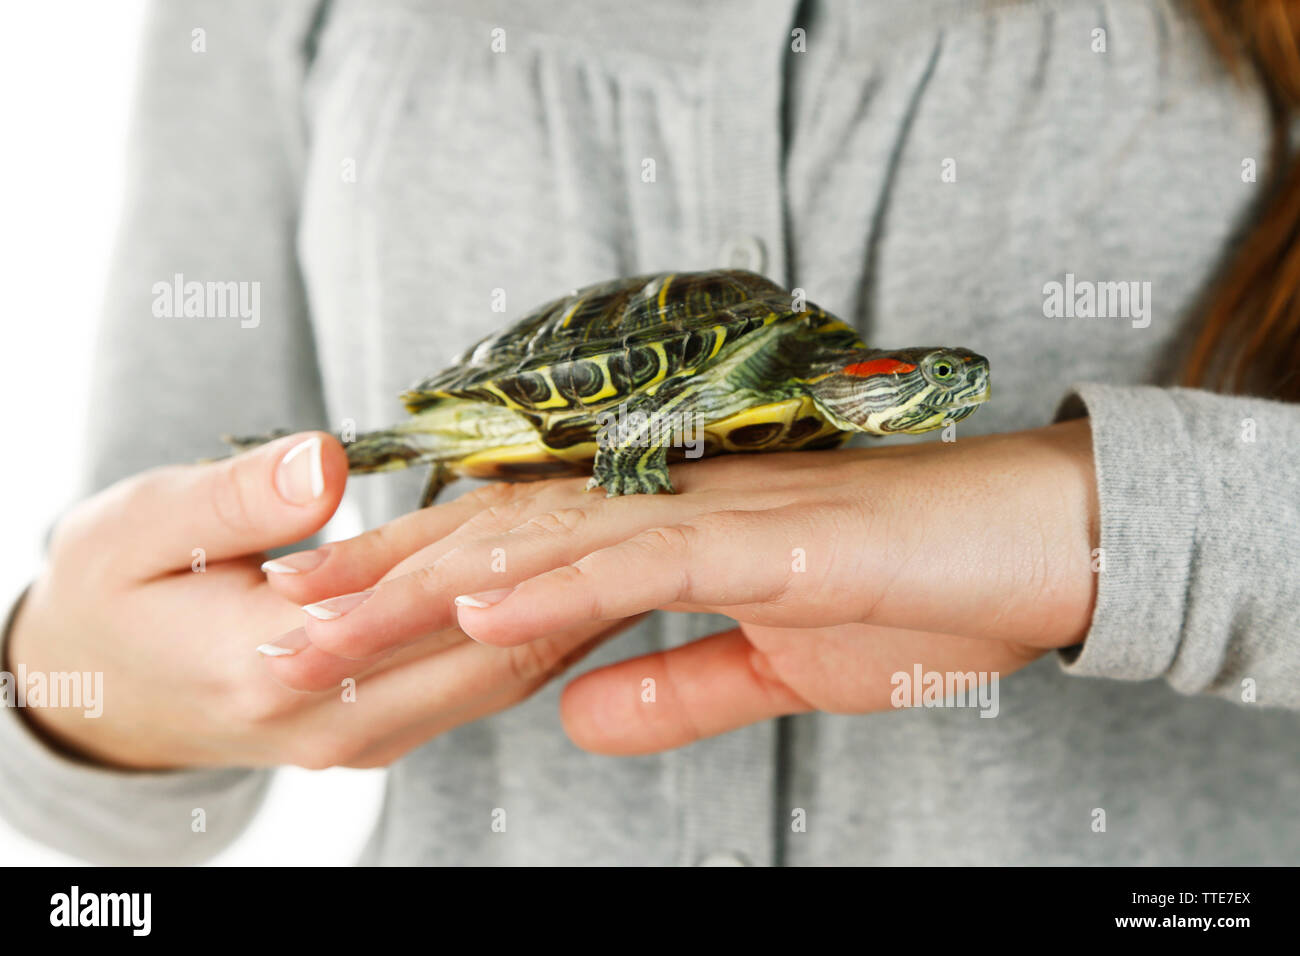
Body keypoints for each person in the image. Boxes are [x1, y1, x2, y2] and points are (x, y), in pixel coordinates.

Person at [2, 0, 1298, 866]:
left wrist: (1088, 514)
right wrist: (69, 686)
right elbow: (88, 765)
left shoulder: (821, 376)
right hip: (545, 392)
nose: (933, 406)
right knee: (415, 434)